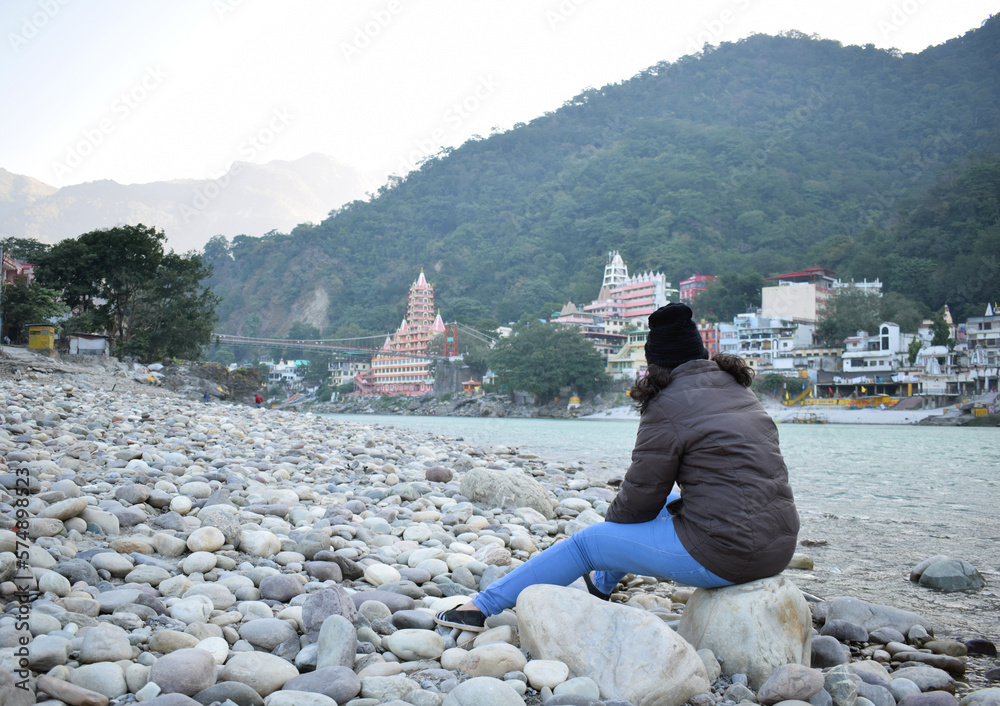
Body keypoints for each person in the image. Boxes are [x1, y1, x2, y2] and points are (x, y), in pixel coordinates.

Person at [435, 302, 800, 631]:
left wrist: (609, 539)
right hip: (778, 546)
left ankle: (480, 607)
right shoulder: (738, 389)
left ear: (655, 362)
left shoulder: (668, 403)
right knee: (668, 500)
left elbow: (640, 498)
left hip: (727, 555)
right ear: (700, 353)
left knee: (588, 543)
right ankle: (601, 585)